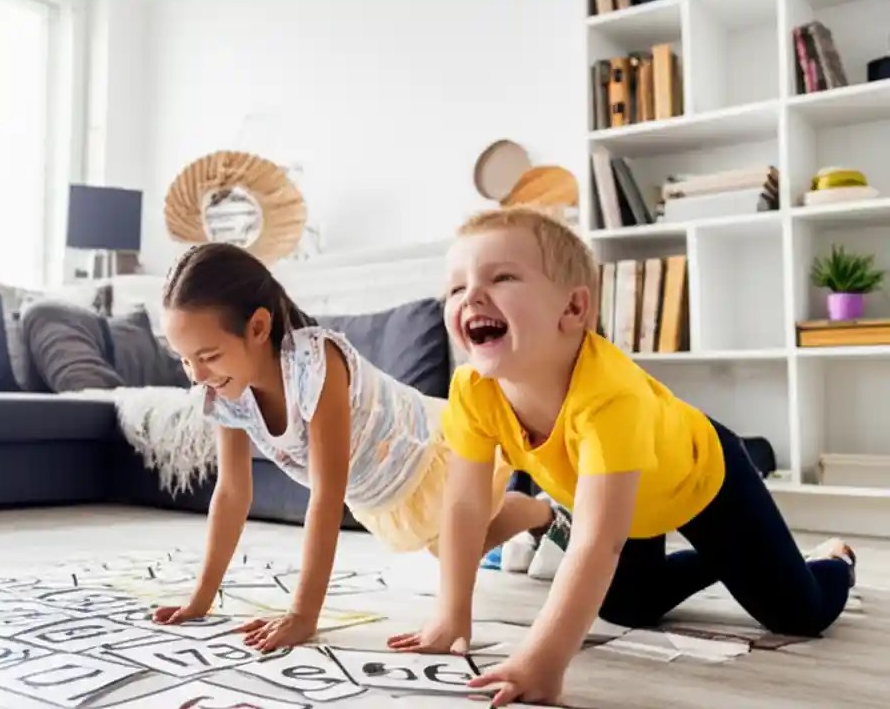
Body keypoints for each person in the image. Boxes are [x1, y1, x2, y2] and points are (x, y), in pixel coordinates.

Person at [407, 206, 856, 706]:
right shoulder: (472, 391)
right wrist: (451, 611)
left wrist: (543, 658)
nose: (471, 296)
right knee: (627, 607)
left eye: (502, 276)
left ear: (574, 310)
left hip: (703, 478)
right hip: (626, 508)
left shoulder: (608, 396)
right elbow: (466, 507)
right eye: (454, 288)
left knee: (800, 616)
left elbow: (598, 542)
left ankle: (833, 559)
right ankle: (725, 560)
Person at [150, 242, 573, 653]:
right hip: (382, 492)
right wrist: (202, 598)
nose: (196, 375)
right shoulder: (225, 394)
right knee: (456, 549)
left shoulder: (316, 363)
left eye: (208, 355)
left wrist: (302, 614)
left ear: (258, 328)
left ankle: (547, 512)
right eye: (185, 359)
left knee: (460, 548)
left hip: (433, 455)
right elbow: (231, 493)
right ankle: (544, 513)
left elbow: (326, 496)